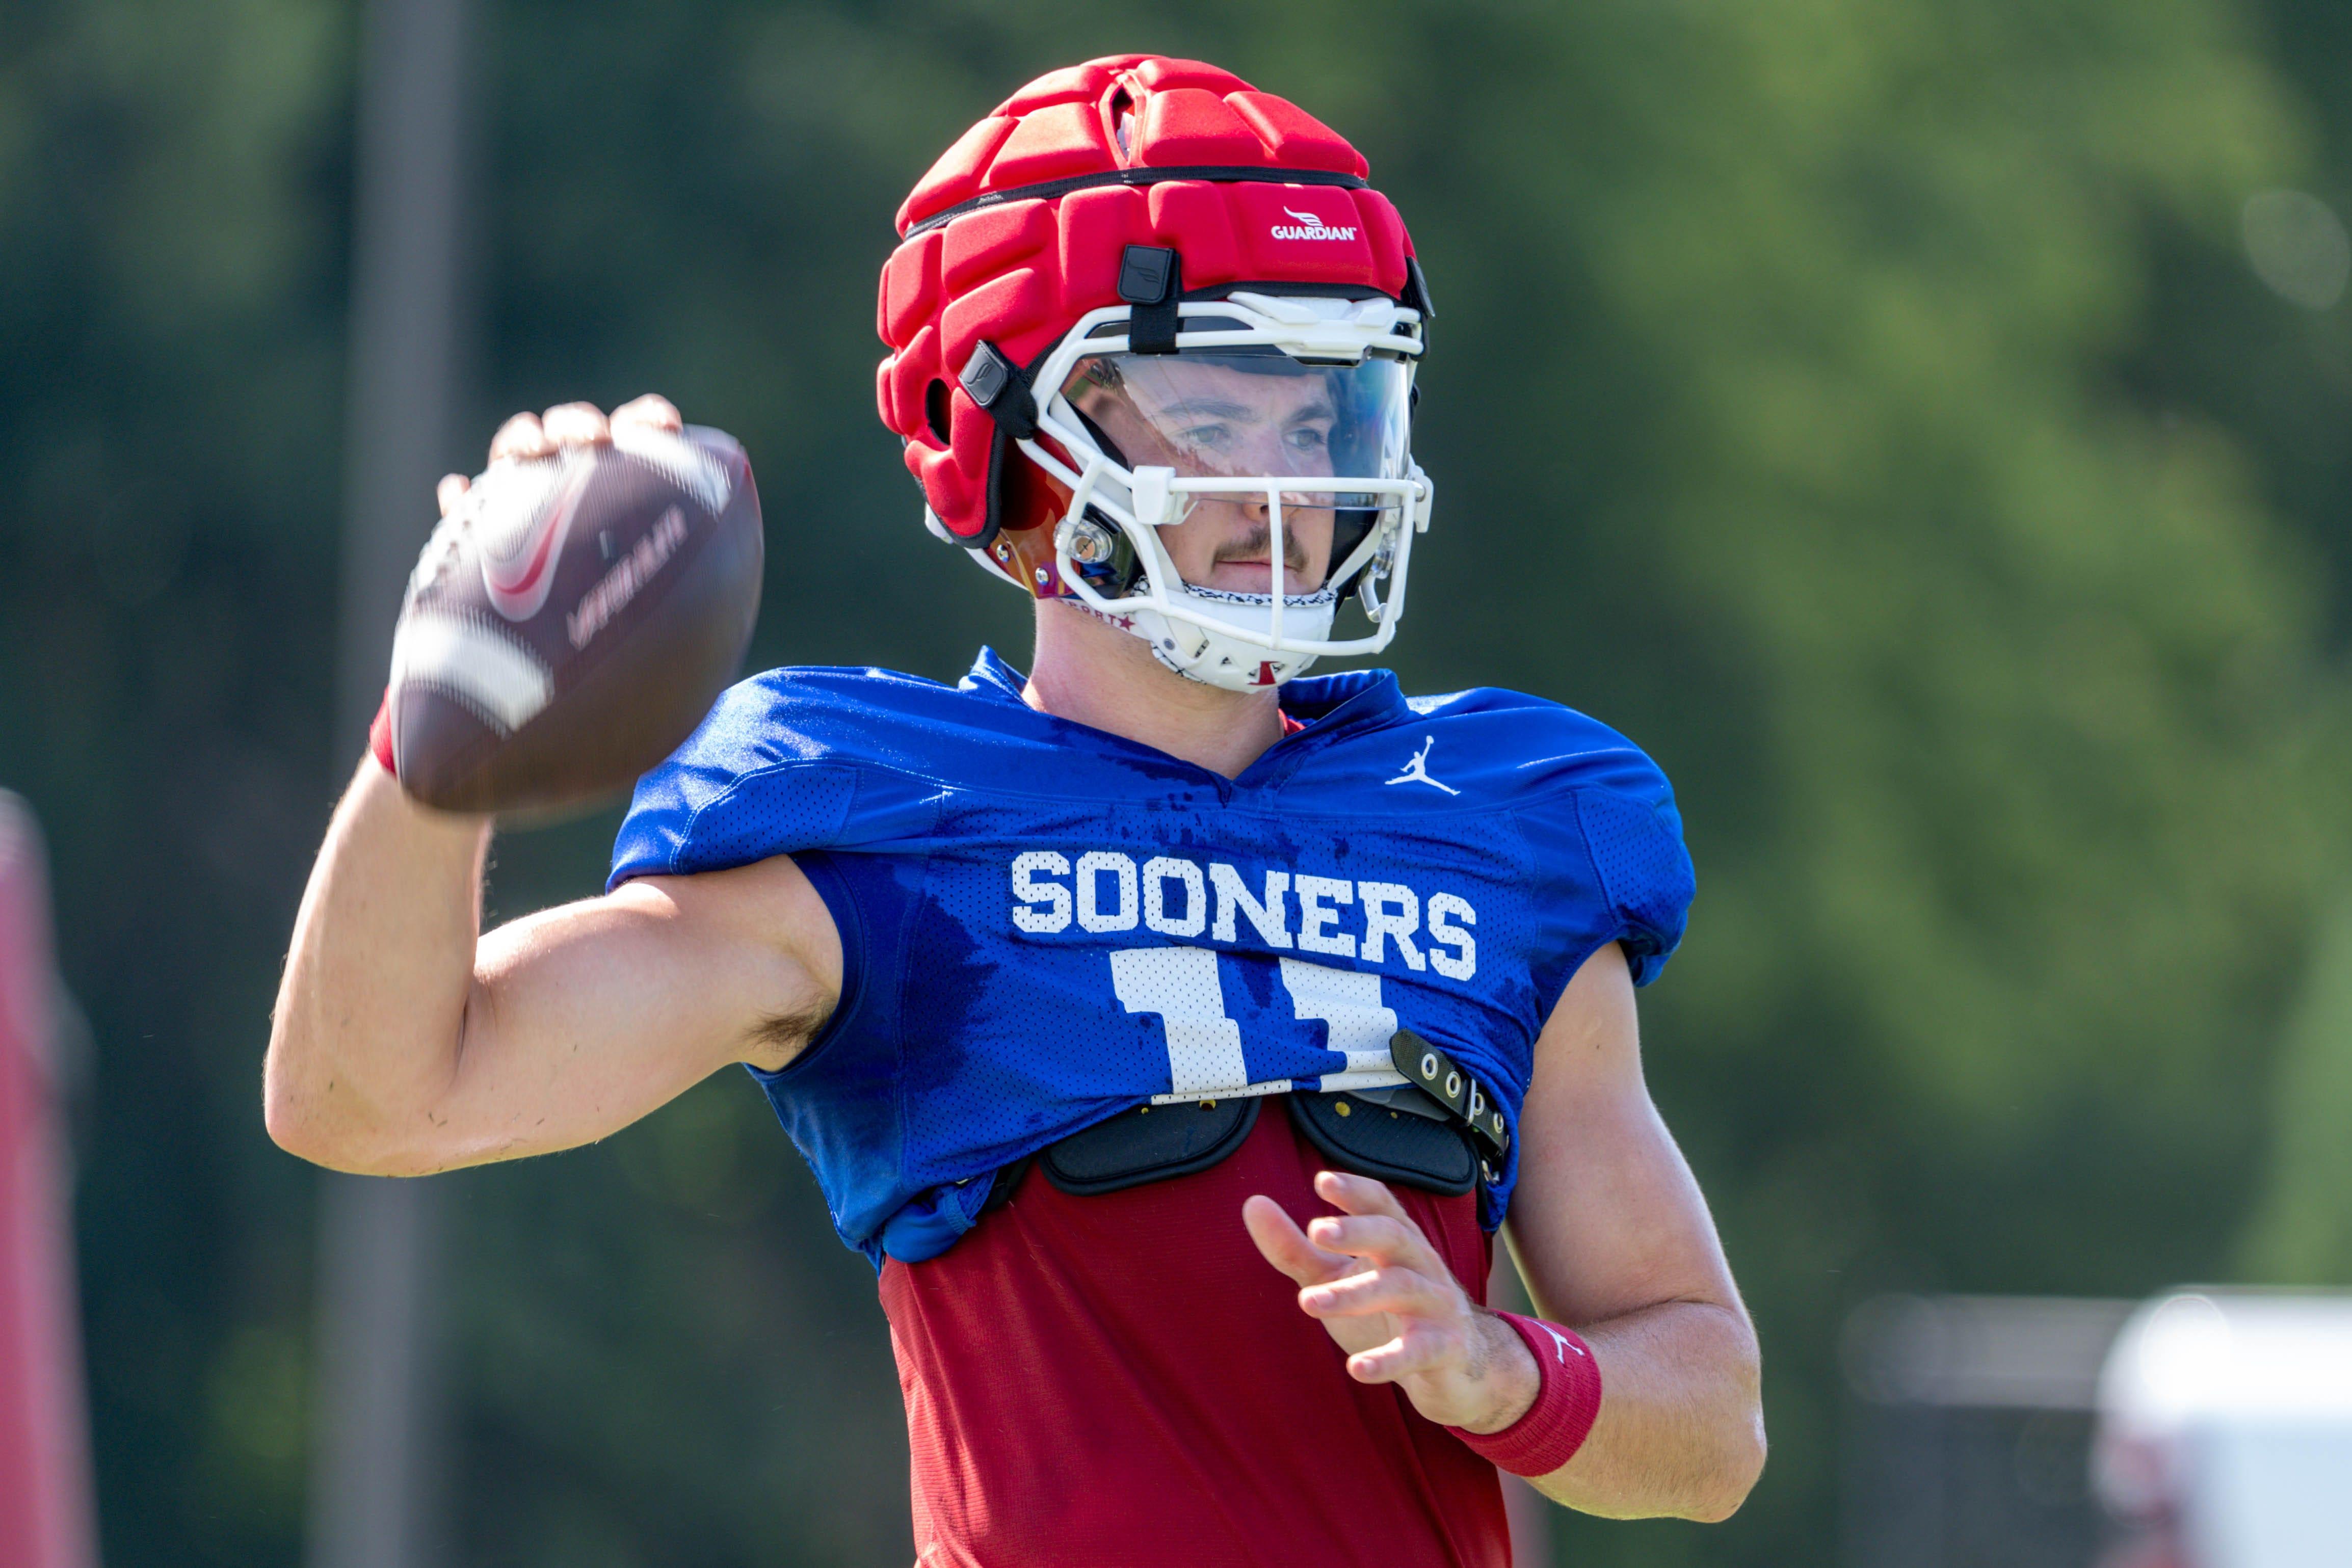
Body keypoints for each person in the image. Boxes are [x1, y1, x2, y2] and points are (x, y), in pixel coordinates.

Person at [267, 54, 1765, 1567]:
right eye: (1211, 415)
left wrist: (1509, 1370)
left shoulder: (1497, 829)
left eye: (1315, 427)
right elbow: (374, 1097)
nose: (1284, 487)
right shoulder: (882, 838)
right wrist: (439, 736)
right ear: (1021, 449)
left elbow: (1709, 1419)